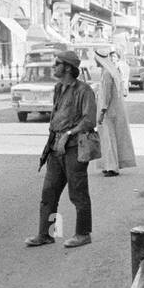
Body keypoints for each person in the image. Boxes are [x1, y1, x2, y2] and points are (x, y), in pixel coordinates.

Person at [25, 50, 97, 249]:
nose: (53, 66)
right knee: (49, 193)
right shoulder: (59, 88)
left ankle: (83, 234)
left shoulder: (84, 91)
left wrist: (70, 133)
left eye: (56, 63)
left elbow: (89, 120)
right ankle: (47, 234)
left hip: (74, 148)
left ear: (67, 67)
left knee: (78, 193)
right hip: (56, 148)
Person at [94, 46, 136, 177]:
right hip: (113, 111)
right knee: (109, 139)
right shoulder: (111, 71)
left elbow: (106, 96)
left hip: (108, 112)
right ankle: (109, 165)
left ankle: (112, 167)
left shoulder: (107, 74)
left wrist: (102, 112)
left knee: (109, 139)